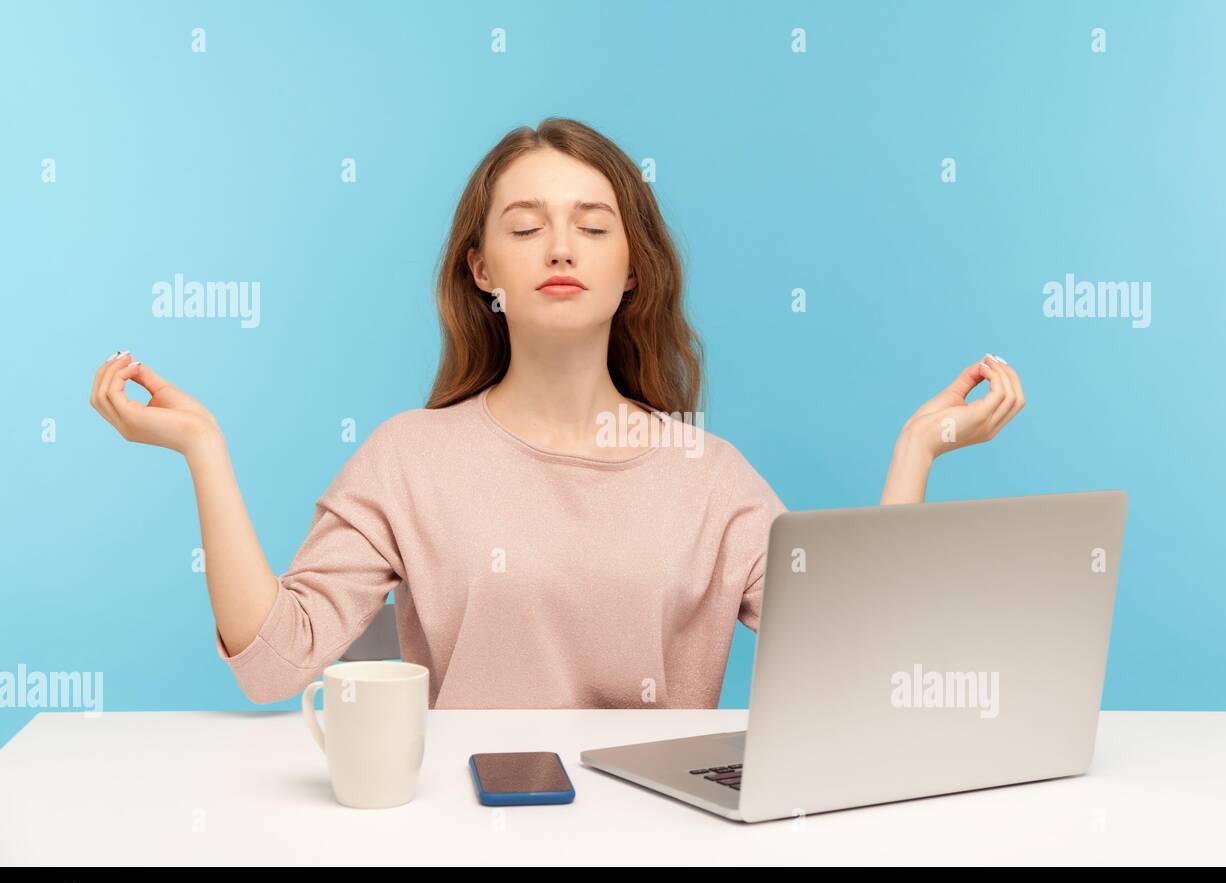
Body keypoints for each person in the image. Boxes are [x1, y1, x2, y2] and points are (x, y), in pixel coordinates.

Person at [88, 117, 1025, 709]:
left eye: (594, 224)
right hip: (463, 837)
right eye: (527, 227)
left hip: (664, 843)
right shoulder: (409, 459)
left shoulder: (709, 474)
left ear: (633, 268)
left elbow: (859, 663)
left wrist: (919, 451)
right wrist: (201, 449)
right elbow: (271, 665)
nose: (561, 246)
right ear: (484, 271)